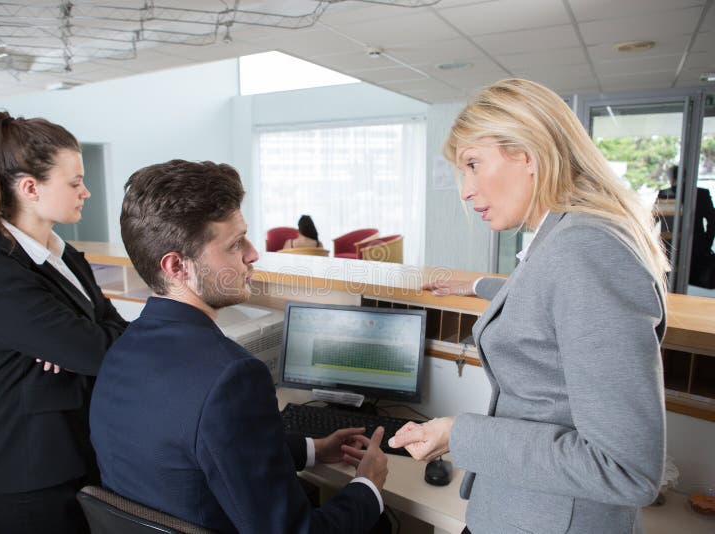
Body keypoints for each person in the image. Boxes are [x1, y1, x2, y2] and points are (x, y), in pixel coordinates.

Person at [389, 79, 668, 534]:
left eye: (473, 164)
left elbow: (626, 468)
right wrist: (479, 283)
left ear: (528, 153)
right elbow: (550, 299)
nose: (465, 189)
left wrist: (458, 434)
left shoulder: (586, 249)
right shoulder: (564, 237)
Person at [90, 160, 389, 533]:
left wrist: (312, 449)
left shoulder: (121, 351)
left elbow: (200, 453)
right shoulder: (233, 376)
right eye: (235, 244)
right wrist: (368, 487)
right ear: (177, 267)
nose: (253, 253)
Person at [0, 111, 129, 534]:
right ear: (30, 188)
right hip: (35, 478)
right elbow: (98, 351)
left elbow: (110, 331)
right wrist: (82, 342)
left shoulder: (65, 256)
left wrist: (75, 342)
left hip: (82, 457)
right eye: (74, 182)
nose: (86, 191)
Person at [657, 164, 715, 288]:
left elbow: (654, 220)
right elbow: (712, 221)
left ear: (670, 178)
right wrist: (706, 243)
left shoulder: (664, 194)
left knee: (671, 284)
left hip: (670, 246)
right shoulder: (701, 193)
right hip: (693, 246)